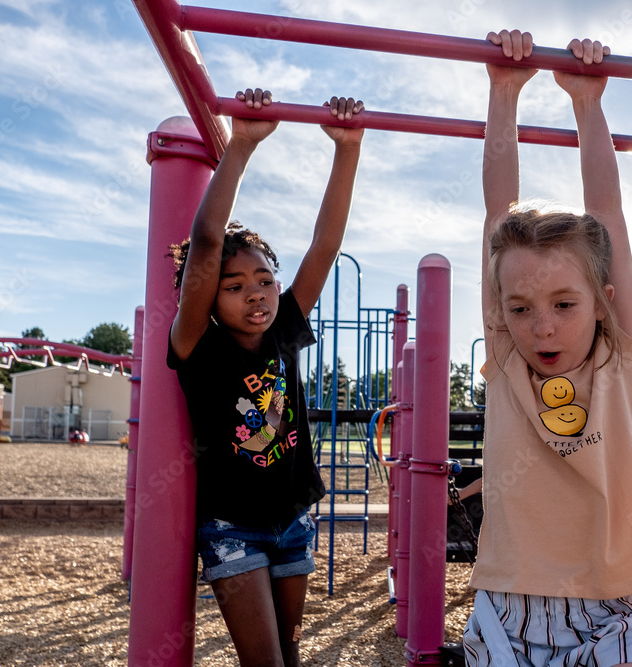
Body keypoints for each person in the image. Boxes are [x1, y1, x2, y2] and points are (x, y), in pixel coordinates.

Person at [463, 31, 632, 667]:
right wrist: (502, 94)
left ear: (603, 301)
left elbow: (609, 217)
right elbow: (494, 217)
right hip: (511, 603)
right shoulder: (507, 356)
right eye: (520, 309)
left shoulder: (618, 355)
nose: (542, 328)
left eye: (565, 305)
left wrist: (588, 106)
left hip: (618, 605)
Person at [167, 88, 364, 666]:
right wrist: (243, 144)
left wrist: (347, 150)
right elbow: (206, 241)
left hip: (294, 520)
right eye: (234, 286)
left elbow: (325, 246)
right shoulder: (198, 345)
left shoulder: (283, 331)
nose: (255, 292)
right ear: (207, 298)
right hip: (233, 528)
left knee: (290, 660)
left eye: (264, 279)